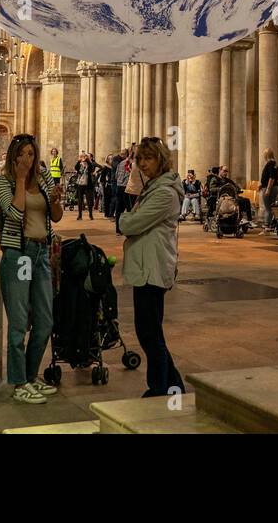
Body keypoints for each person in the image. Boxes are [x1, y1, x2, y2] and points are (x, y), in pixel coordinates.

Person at [0, 133, 63, 404]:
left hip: (40, 253)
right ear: (13, 156)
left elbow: (55, 216)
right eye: (22, 154)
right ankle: (19, 382)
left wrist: (56, 199)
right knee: (19, 322)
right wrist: (21, 181)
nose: (27, 159)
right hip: (19, 255)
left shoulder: (45, 179)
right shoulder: (3, 182)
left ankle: (32, 375)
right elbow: (15, 214)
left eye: (31, 154)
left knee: (45, 321)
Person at [119, 136, 185, 397]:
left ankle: (159, 387)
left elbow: (128, 225)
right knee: (148, 331)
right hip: (145, 267)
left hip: (153, 269)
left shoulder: (165, 194)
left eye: (148, 158)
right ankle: (173, 385)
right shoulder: (152, 188)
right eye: (140, 159)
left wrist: (127, 218)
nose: (143, 164)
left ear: (161, 160)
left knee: (149, 333)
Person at [114, 145, 134, 234]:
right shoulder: (132, 163)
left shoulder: (120, 163)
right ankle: (130, 229)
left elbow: (116, 175)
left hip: (119, 187)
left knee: (119, 209)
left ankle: (118, 229)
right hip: (127, 188)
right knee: (130, 209)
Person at [258, 149, 278, 229]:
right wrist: (262, 185)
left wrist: (268, 189)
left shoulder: (271, 163)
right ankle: (271, 224)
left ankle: (267, 225)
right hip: (270, 187)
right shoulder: (273, 164)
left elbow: (272, 178)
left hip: (270, 188)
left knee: (268, 207)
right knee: (270, 207)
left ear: (267, 155)